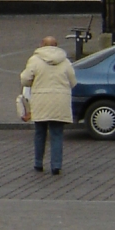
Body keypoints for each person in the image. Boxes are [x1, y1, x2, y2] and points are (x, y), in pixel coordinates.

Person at [20, 36, 75, 175]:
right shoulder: (65, 61)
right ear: (56, 45)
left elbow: (25, 80)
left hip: (41, 101)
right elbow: (73, 81)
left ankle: (38, 163)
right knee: (57, 134)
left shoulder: (34, 60)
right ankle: (56, 165)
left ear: (42, 45)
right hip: (60, 101)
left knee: (40, 133)